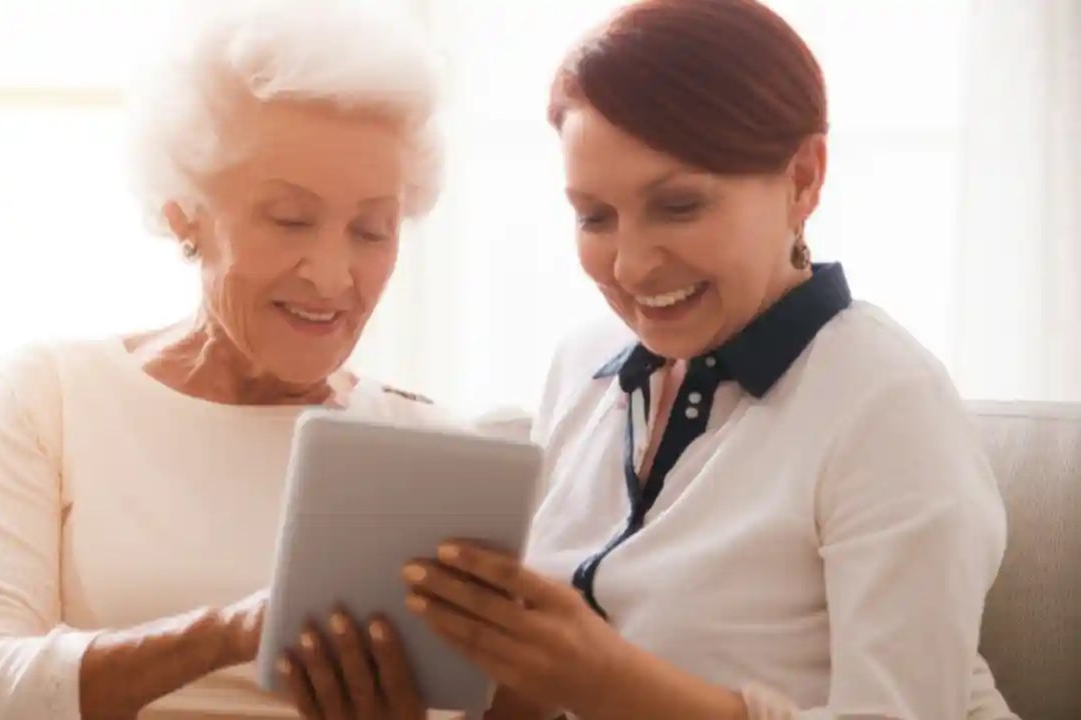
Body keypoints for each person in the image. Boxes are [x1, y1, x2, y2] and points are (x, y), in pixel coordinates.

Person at [278, 1, 1019, 718]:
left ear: (802, 179)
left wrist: (611, 684)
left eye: (679, 206)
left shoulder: (887, 406)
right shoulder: (586, 366)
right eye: (594, 216)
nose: (630, 267)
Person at [0, 1, 458, 718]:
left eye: (372, 230)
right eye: (290, 219)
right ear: (185, 213)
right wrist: (231, 631)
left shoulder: (423, 443)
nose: (334, 278)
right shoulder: (52, 391)